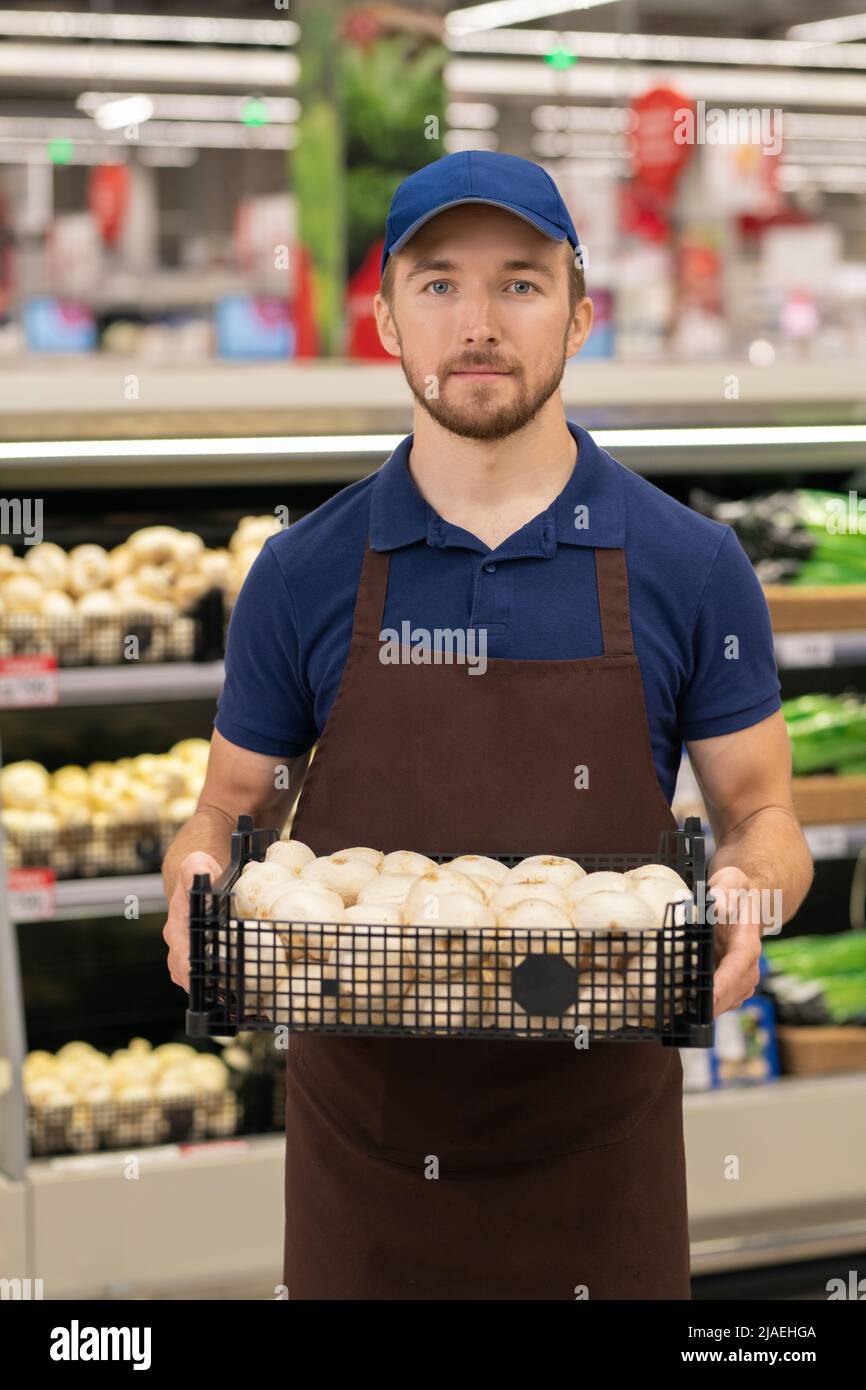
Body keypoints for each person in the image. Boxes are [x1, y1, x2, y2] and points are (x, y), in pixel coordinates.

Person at [162, 150, 814, 1300]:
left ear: (577, 316)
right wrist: (199, 881)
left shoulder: (689, 566)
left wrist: (741, 898)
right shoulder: (302, 573)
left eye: (519, 282)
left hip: (595, 1166)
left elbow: (760, 811)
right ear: (384, 319)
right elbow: (229, 807)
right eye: (437, 284)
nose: (477, 322)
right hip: (365, 1173)